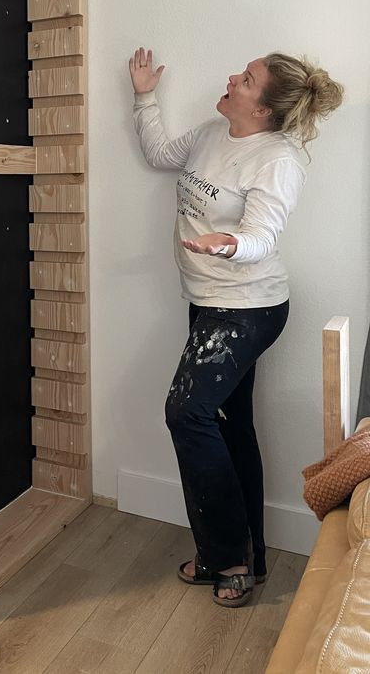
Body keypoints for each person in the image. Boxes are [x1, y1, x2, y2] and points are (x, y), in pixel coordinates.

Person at [129, 47, 343, 606]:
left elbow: (263, 236)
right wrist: (145, 95)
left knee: (187, 410)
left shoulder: (278, 159)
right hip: (207, 300)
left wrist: (229, 244)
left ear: (265, 110)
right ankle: (254, 554)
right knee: (227, 422)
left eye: (246, 79)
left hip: (249, 307)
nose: (231, 77)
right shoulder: (208, 134)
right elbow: (157, 153)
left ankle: (224, 557)